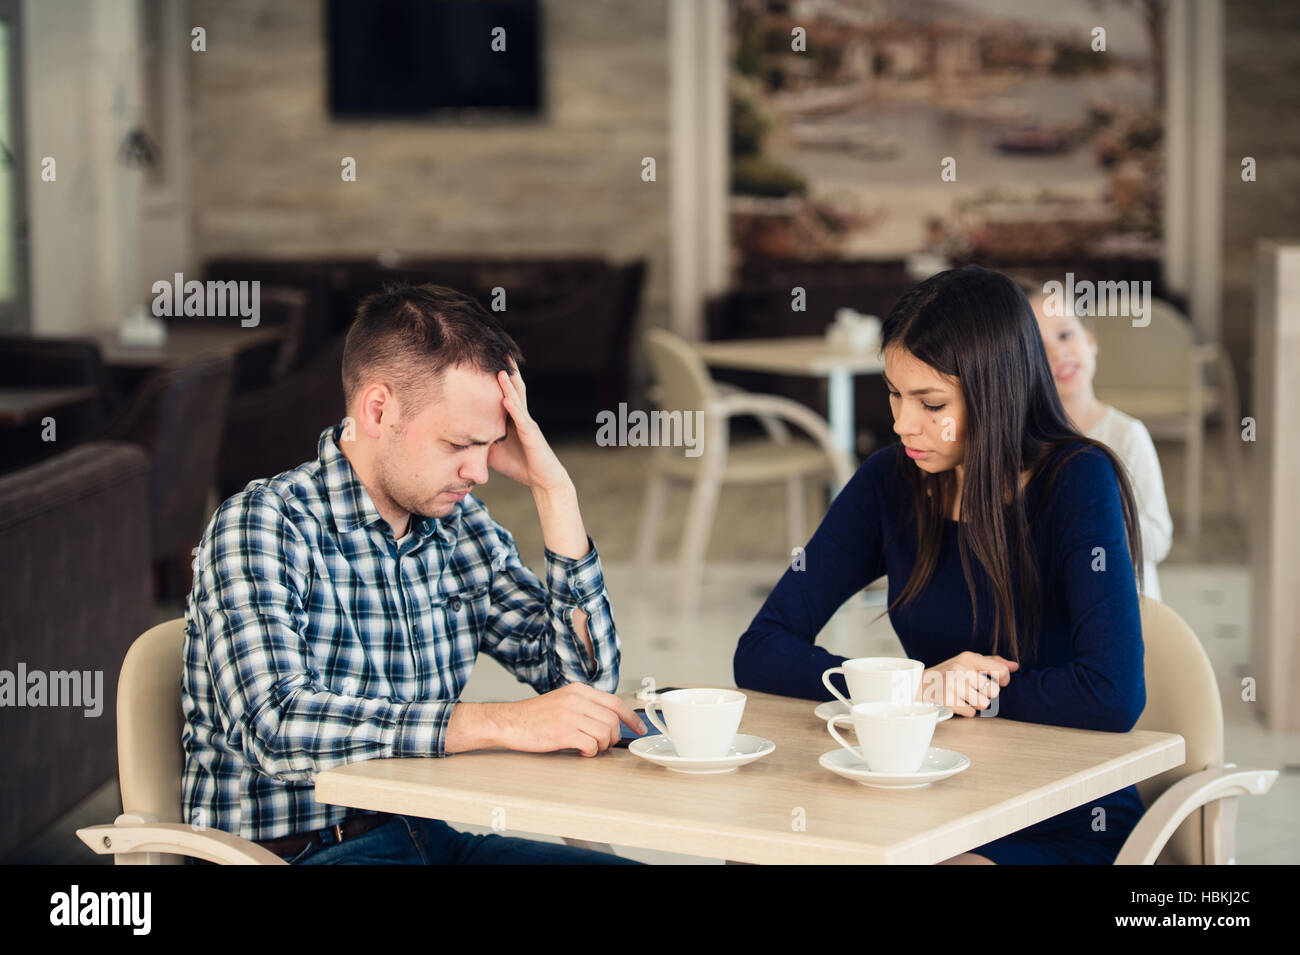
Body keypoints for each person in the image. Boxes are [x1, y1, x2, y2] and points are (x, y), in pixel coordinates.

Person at [182, 283, 645, 865]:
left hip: (427, 839)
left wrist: (556, 494)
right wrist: (498, 722)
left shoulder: (458, 526)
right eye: (460, 442)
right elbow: (275, 727)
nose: (480, 470)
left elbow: (578, 682)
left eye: (492, 444)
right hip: (298, 855)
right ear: (379, 411)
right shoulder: (262, 525)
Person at [734, 266, 1148, 864]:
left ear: (997, 390)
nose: (903, 423)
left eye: (931, 403)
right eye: (895, 394)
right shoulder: (889, 481)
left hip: (1060, 810)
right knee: (755, 855)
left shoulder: (1077, 480)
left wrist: (976, 694)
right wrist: (913, 689)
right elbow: (761, 649)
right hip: (921, 790)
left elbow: (1112, 696)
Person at [1028, 287, 1174, 599]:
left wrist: (1096, 524)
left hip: (1127, 607)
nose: (1057, 354)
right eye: (1040, 348)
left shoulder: (1128, 435)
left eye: (1065, 335)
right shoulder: (1027, 443)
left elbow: (1159, 537)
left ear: (1090, 342)